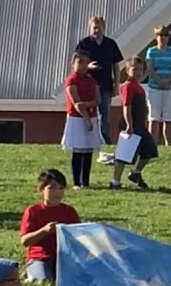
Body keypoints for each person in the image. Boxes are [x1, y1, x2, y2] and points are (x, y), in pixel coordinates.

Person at [75, 15, 124, 164]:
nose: (96, 30)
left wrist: (117, 83)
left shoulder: (111, 44)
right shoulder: (84, 44)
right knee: (88, 115)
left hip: (105, 84)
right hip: (87, 85)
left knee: (105, 116)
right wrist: (88, 67)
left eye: (99, 27)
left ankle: (105, 142)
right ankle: (88, 141)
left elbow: (116, 65)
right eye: (94, 27)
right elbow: (76, 62)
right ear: (90, 28)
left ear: (103, 28)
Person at [19, 169, 81, 284]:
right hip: (41, 256)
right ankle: (30, 271)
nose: (57, 192)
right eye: (52, 188)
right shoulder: (33, 211)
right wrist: (45, 231)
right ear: (42, 190)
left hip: (64, 257)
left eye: (61, 188)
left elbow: (79, 238)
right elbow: (25, 241)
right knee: (44, 282)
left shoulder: (69, 211)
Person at [110, 57, 157, 190]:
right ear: (128, 69)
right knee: (124, 154)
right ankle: (115, 181)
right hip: (131, 124)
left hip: (141, 125)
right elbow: (127, 106)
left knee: (149, 150)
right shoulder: (127, 86)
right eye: (135, 69)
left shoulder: (139, 86)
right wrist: (129, 125)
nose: (138, 72)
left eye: (141, 70)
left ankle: (136, 173)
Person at [61, 51, 101, 189]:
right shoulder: (71, 80)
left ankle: (86, 181)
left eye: (86, 62)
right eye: (80, 62)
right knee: (78, 151)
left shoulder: (91, 80)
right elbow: (76, 103)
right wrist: (86, 118)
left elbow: (98, 99)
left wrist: (88, 105)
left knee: (88, 151)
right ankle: (76, 182)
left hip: (92, 115)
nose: (84, 65)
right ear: (73, 64)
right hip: (77, 118)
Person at [144, 25, 171, 147]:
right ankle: (151, 144)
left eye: (166, 35)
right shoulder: (151, 51)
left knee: (168, 119)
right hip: (154, 88)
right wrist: (160, 81)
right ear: (156, 37)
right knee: (154, 118)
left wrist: (167, 81)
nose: (163, 38)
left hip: (168, 89)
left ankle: (168, 145)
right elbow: (150, 69)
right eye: (160, 35)